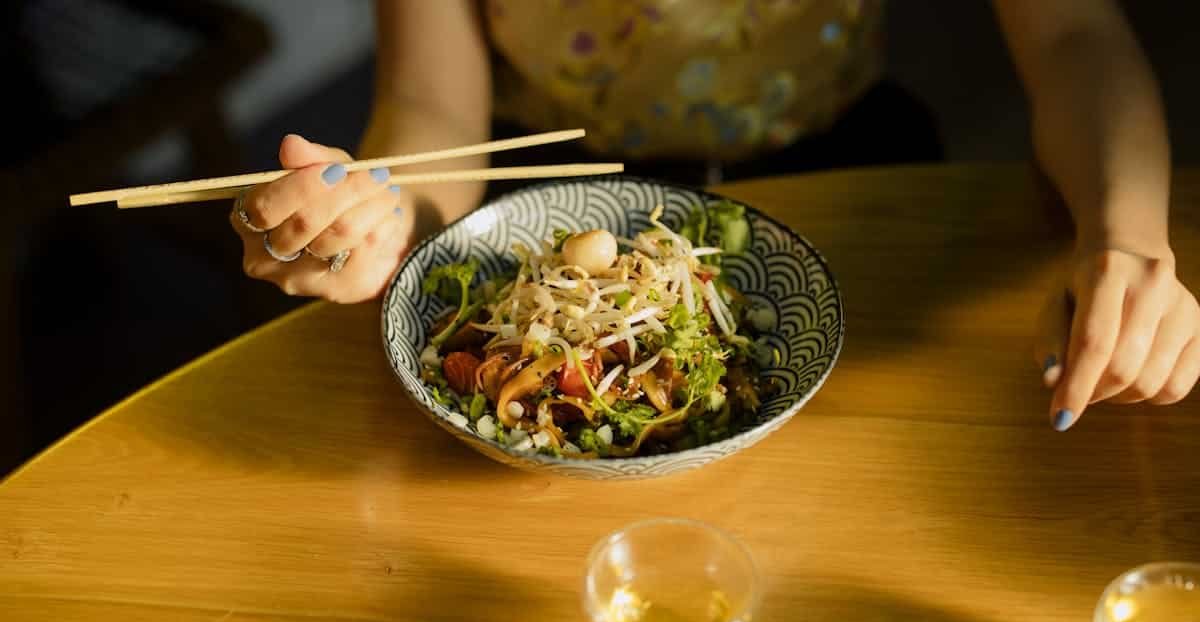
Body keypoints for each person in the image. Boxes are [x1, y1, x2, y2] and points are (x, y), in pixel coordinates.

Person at [229, 0, 1199, 431]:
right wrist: (385, 218)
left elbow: (1074, 34)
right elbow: (435, 111)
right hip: (556, 193)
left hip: (849, 163)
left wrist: (1128, 240)